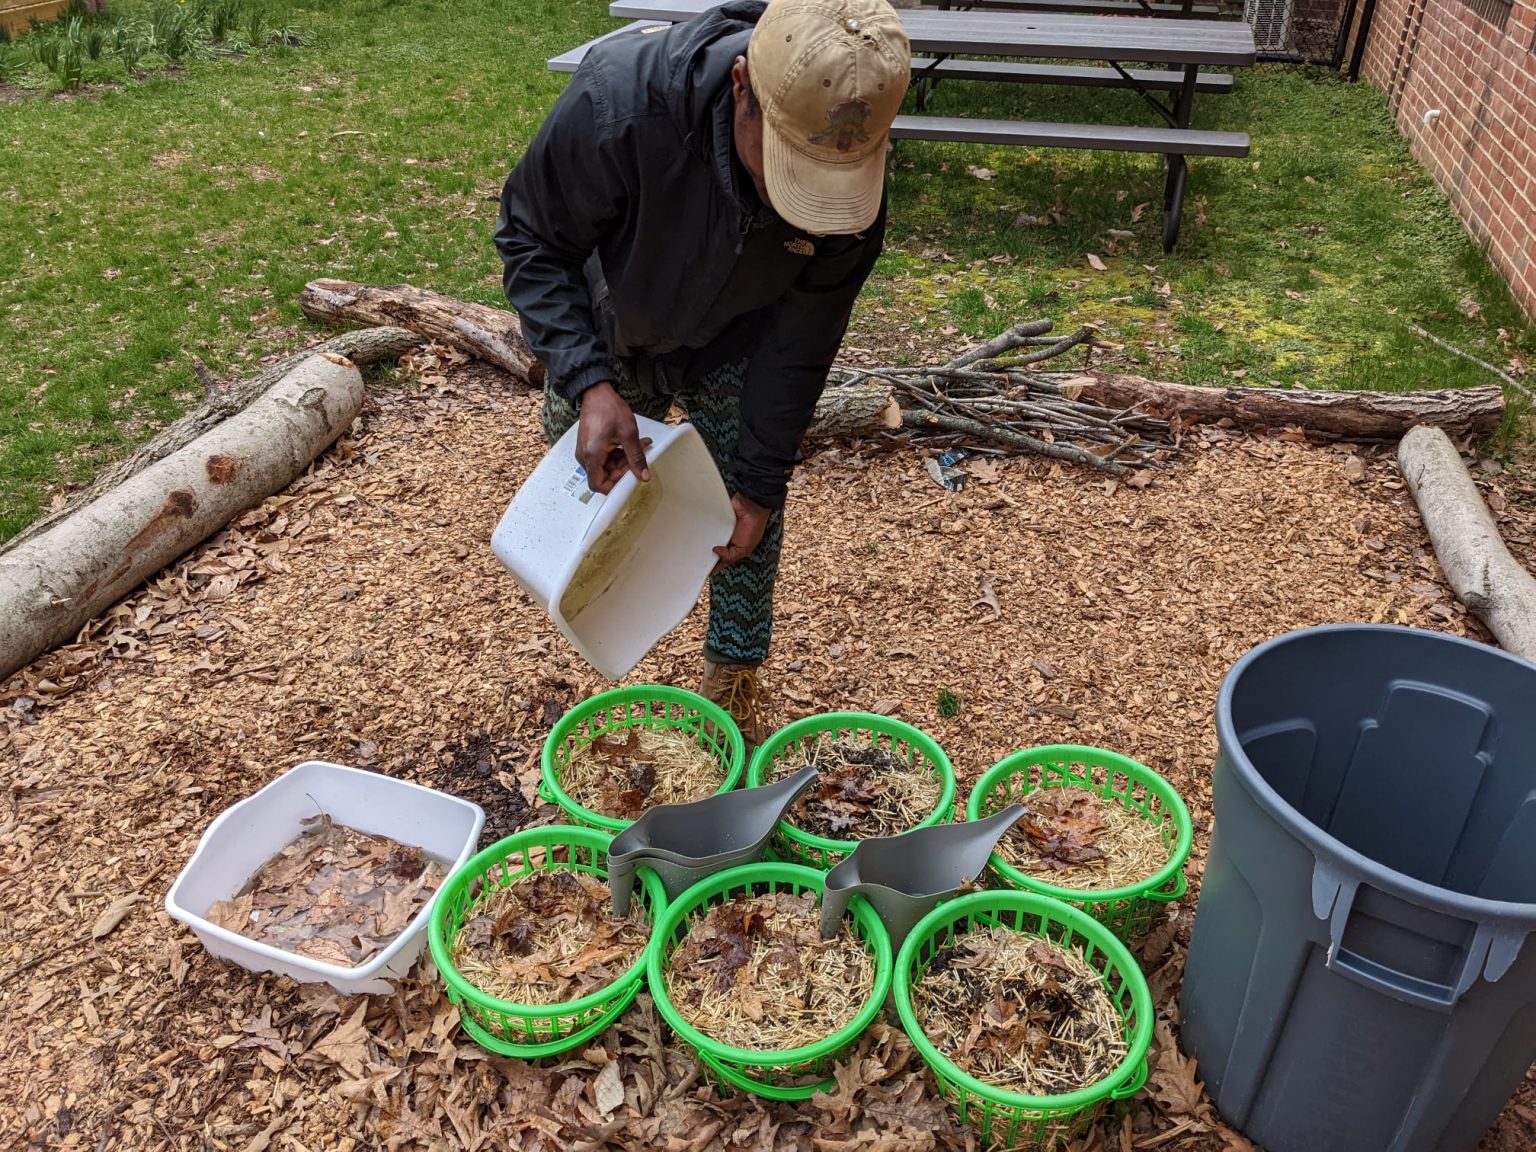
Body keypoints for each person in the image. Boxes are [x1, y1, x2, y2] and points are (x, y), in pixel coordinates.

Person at [495, 0, 910, 744]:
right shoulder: (617, 106)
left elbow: (801, 347)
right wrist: (590, 382)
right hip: (615, 321)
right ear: (742, 87)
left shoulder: (853, 192)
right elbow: (531, 240)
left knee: (747, 515)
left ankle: (734, 681)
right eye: (792, 165)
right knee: (584, 462)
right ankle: (602, 581)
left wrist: (757, 485)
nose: (811, 203)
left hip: (738, 339)